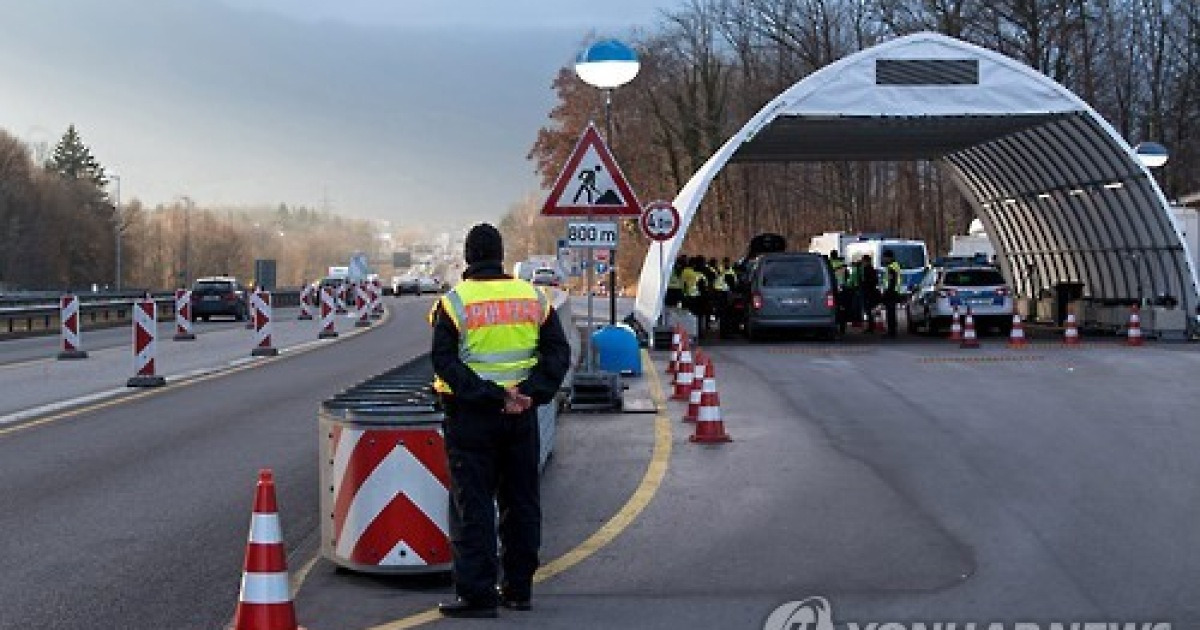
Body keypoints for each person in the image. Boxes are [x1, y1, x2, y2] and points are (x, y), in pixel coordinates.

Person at [430, 223, 571, 618]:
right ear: (501, 255)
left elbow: (445, 362)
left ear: (468, 256)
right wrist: (530, 392)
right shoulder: (533, 297)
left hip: (472, 418)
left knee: (473, 506)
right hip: (522, 416)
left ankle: (477, 596)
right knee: (521, 502)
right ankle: (519, 589)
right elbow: (558, 354)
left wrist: (492, 396)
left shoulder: (454, 302)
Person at [881, 249, 903, 338]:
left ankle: (891, 331)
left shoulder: (891, 267)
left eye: (885, 258)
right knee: (892, 312)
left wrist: (886, 292)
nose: (884, 259)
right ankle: (892, 331)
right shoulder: (896, 265)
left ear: (888, 257)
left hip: (891, 292)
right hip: (895, 291)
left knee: (890, 313)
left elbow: (891, 281)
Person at [860, 254, 880, 333]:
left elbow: (867, 281)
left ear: (866, 261)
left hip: (868, 292)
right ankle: (871, 326)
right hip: (871, 291)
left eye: (863, 261)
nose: (862, 262)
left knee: (868, 310)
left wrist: (863, 285)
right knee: (869, 310)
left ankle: (871, 327)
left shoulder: (867, 269)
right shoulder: (872, 269)